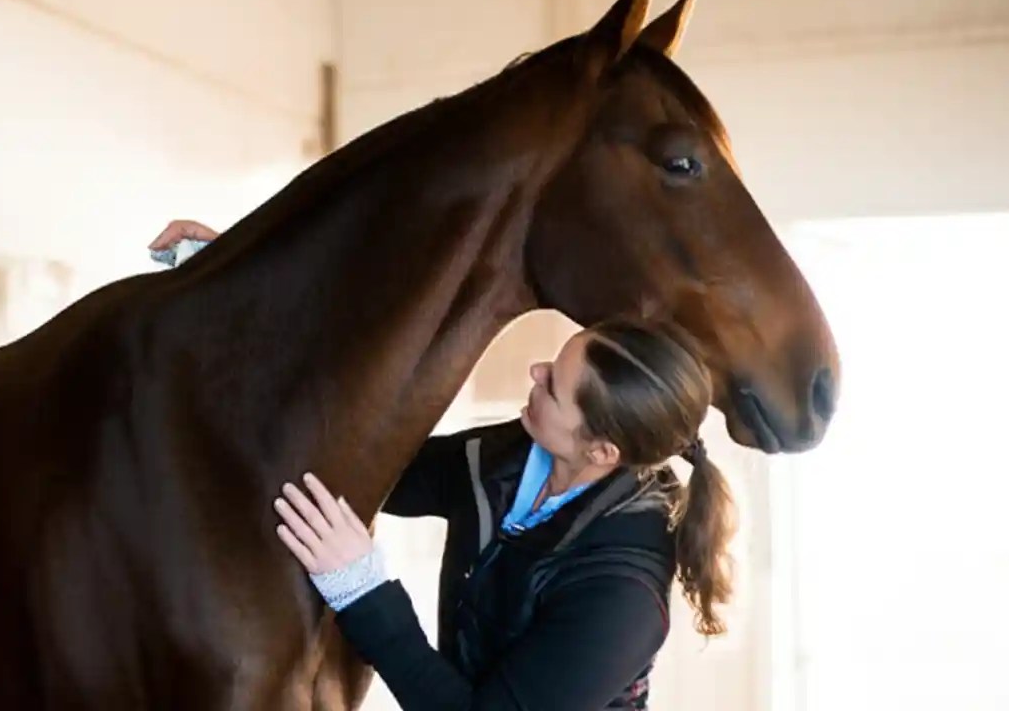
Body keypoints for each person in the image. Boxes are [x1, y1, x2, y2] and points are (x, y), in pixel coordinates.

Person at [149, 220, 737, 710]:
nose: (535, 374)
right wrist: (244, 301)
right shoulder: (516, 455)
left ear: (602, 451)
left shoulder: (623, 597)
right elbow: (374, 461)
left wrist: (361, 588)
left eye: (554, 385)